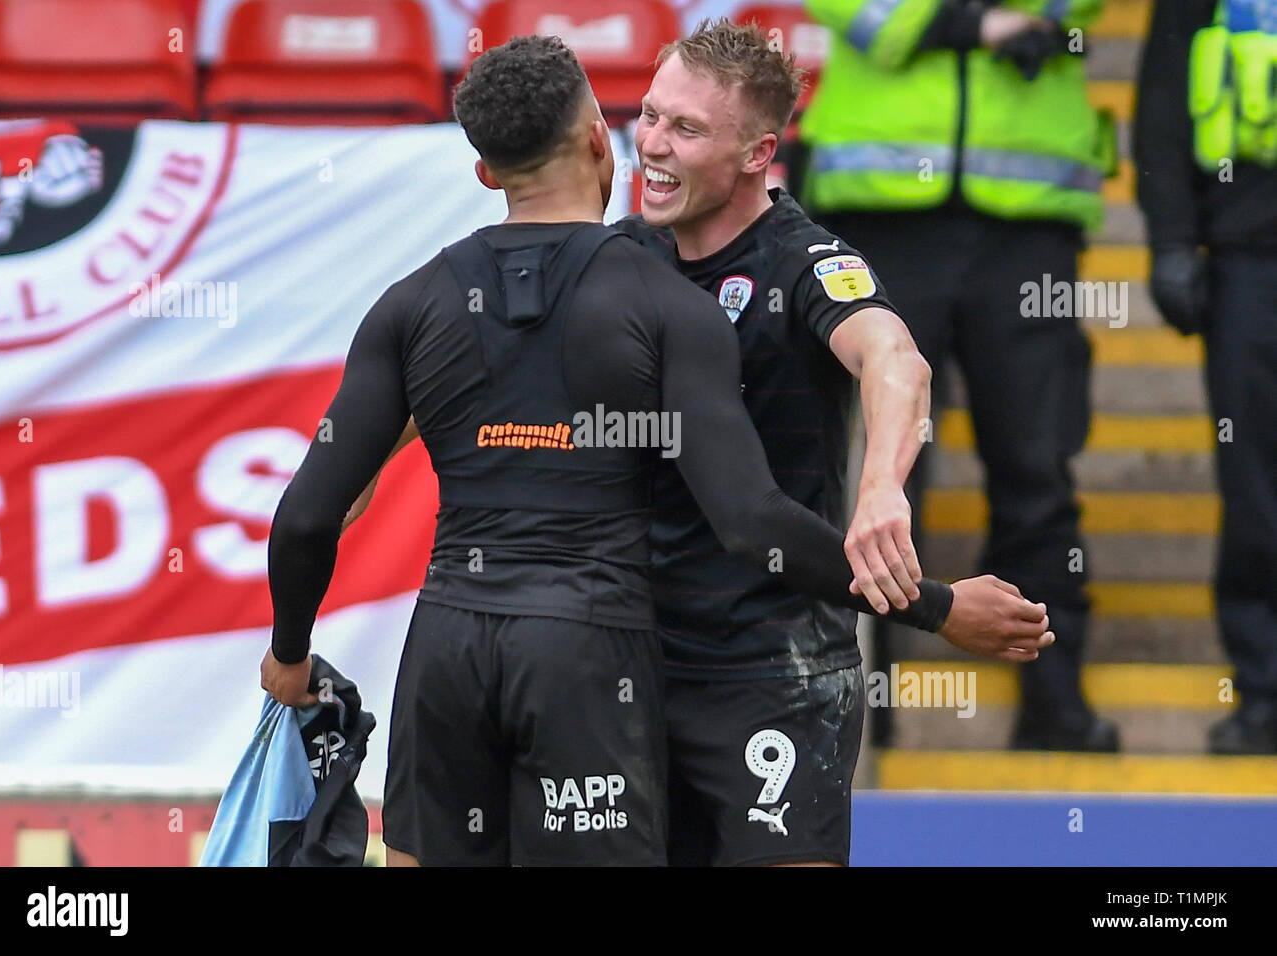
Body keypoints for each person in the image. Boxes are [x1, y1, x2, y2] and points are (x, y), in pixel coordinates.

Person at [261, 35, 1052, 867]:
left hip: (765, 670)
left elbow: (893, 360)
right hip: (623, 660)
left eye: (689, 129)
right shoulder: (618, 263)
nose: (657, 144)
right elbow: (411, 422)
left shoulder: (804, 261)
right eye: (650, 115)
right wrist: (354, 482)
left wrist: (884, 488)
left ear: (759, 153)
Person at [799, 0, 1119, 752]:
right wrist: (966, 23)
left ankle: (1053, 698)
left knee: (1035, 464)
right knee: (882, 474)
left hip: (1029, 218)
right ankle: (861, 707)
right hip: (880, 212)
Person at [1135, 0, 1277, 754]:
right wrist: (1170, 240)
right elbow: (1161, 105)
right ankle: (1264, 692)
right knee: (1254, 481)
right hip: (1248, 259)